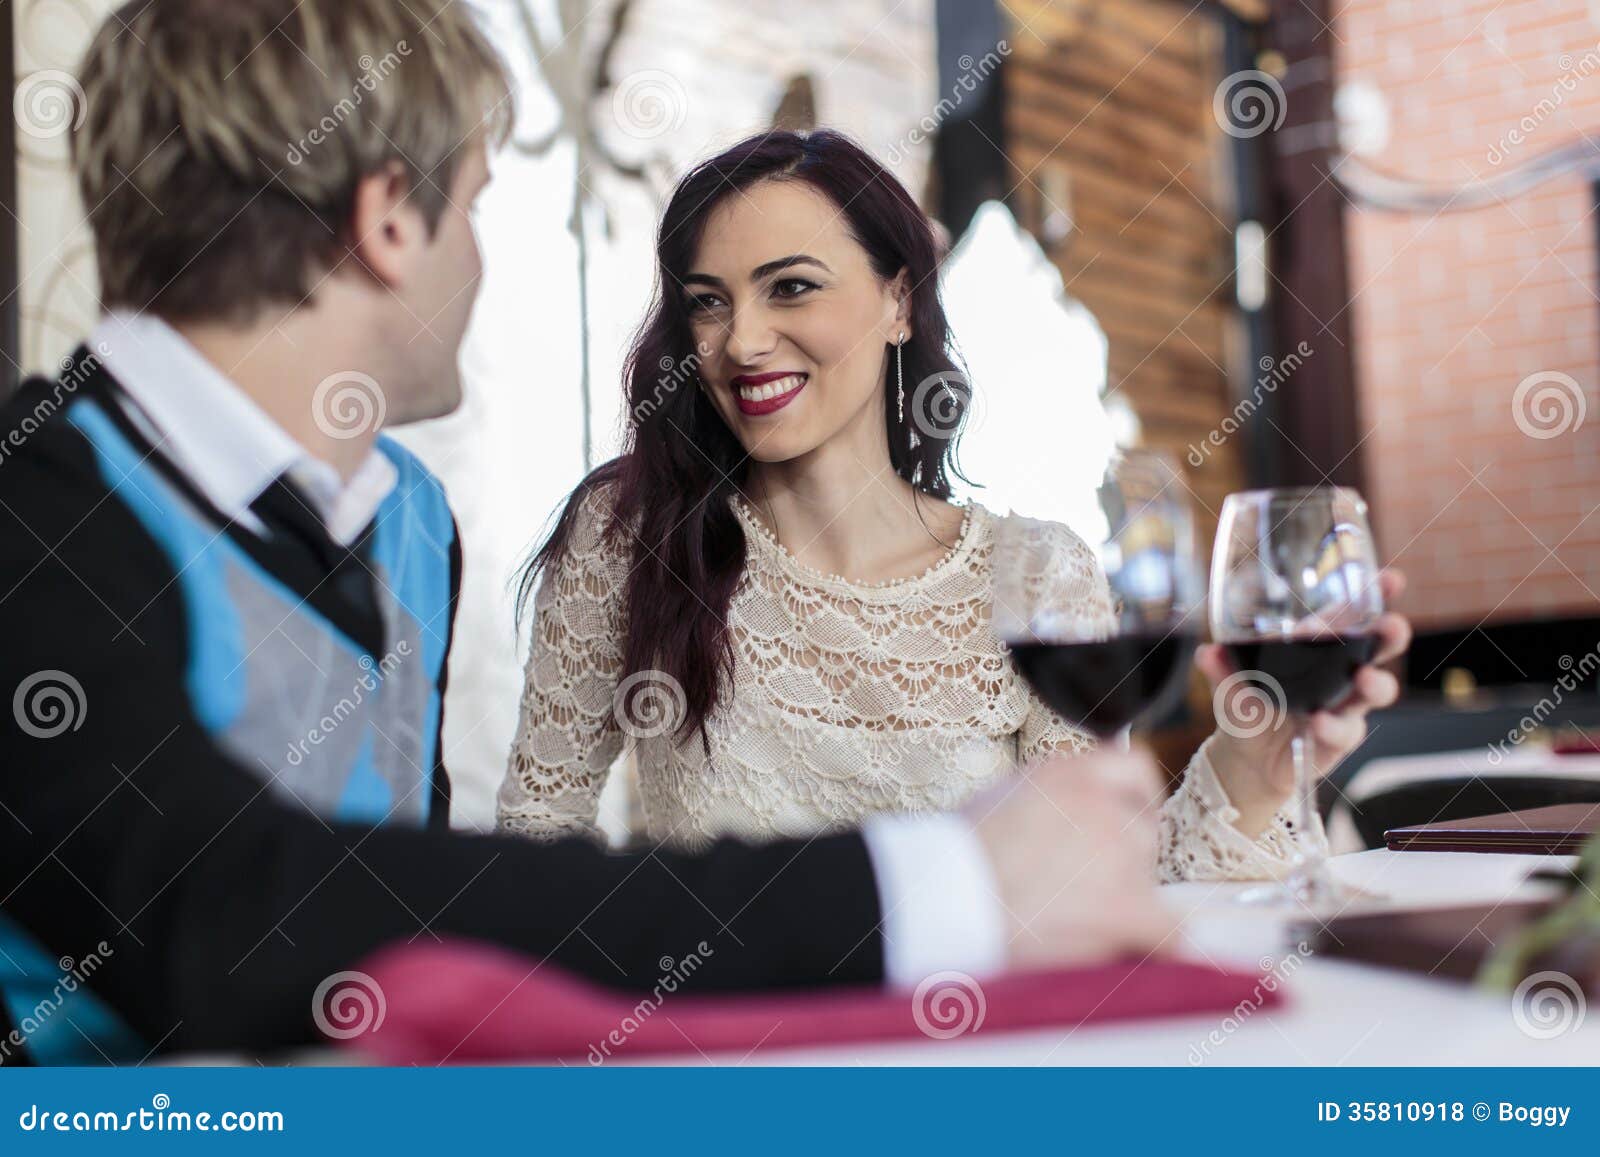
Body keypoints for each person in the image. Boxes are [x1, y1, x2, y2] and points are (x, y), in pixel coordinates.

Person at [0, 0, 1174, 1067]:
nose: (737, 337)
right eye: (475, 201)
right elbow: (234, 909)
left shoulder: (402, 514)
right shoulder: (29, 517)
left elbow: (414, 935)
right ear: (391, 222)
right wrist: (931, 884)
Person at [498, 130, 1413, 877]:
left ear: (899, 298)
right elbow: (537, 842)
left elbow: (1089, 886)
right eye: (708, 302)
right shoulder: (632, 540)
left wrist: (1250, 773)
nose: (741, 339)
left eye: (792, 287)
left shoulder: (1038, 574)